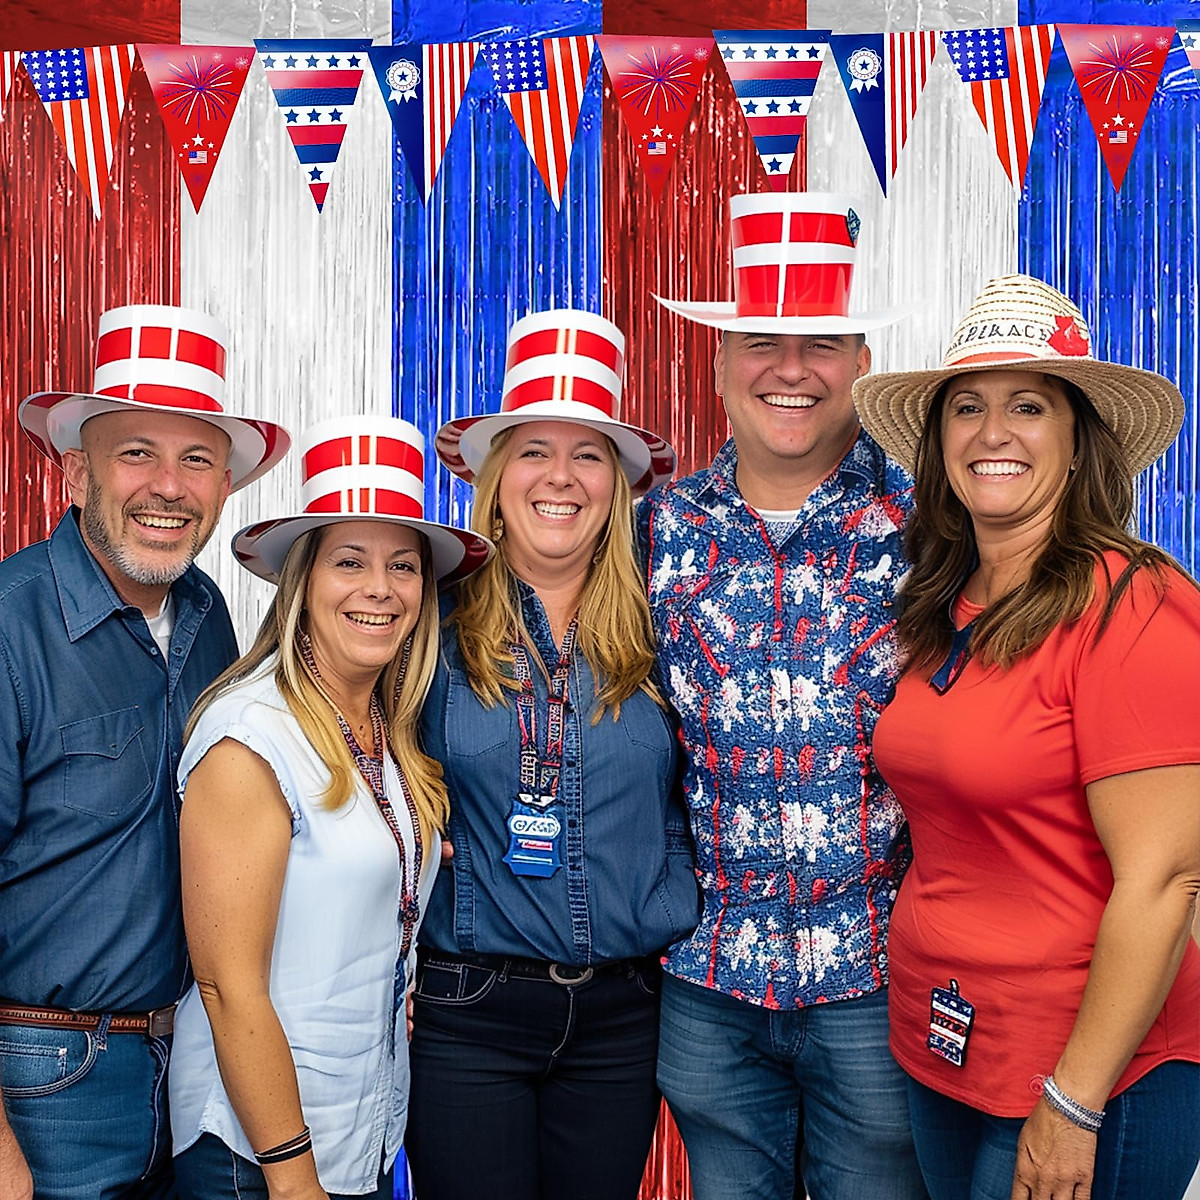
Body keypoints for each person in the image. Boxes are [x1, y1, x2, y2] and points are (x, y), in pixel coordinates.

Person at [852, 273, 1200, 1200]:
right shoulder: (944, 604)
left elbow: (1166, 878)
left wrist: (1074, 1102)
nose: (992, 432)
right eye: (967, 407)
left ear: (1080, 440)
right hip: (944, 1044)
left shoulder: (1136, 606)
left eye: (1029, 406)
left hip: (1086, 1071)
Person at [641, 192, 928, 1200]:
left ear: (862, 362)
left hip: (877, 982)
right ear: (721, 362)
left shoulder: (930, 527)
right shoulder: (655, 528)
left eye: (822, 345)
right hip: (709, 984)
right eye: (763, 341)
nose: (791, 369)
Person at [406, 309, 700, 1200]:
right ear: (496, 478)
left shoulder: (668, 626)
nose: (561, 477)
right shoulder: (424, 622)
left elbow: (706, 792)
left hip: (624, 1018)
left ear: (617, 484)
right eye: (534, 450)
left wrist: (667, 891)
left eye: (589, 455)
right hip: (467, 1012)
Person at [0, 304, 289, 1200]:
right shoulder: (10, 624)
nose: (168, 486)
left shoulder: (208, 614)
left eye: (196, 459)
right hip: (45, 1076)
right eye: (136, 452)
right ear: (76, 469)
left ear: (225, 486)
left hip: (189, 1070)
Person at [168, 415, 492, 1199]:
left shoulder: (386, 732)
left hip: (360, 1133)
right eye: (350, 561)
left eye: (403, 566)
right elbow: (226, 987)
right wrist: (292, 1179)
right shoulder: (251, 736)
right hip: (259, 1157)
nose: (380, 589)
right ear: (303, 581)